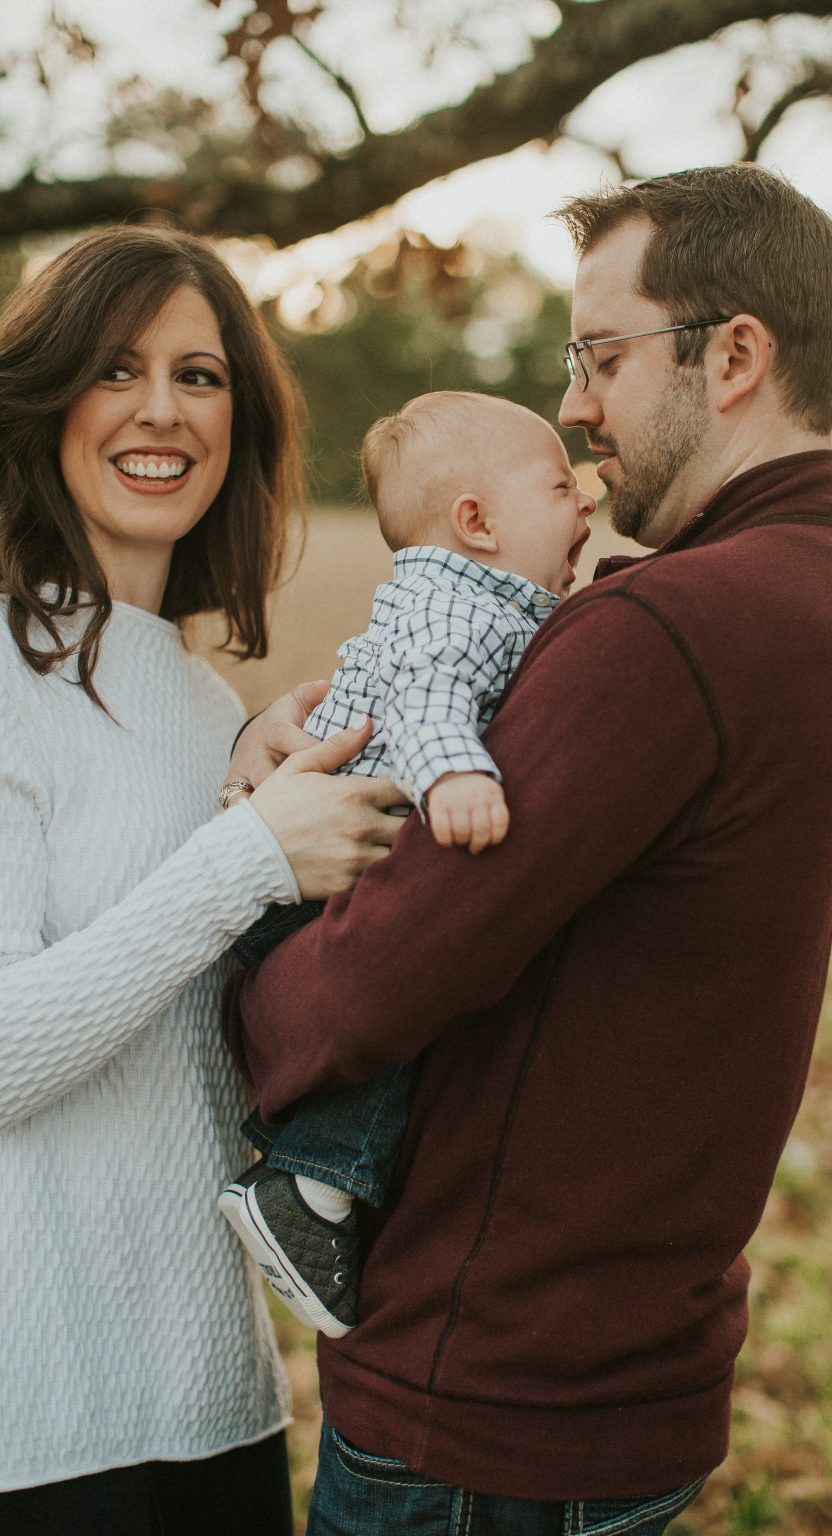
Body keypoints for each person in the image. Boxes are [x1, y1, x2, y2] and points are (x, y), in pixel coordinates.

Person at [225, 164, 832, 1535]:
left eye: (601, 355)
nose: (574, 404)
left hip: (492, 1416)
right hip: (617, 1380)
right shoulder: (811, 585)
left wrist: (234, 982)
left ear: (739, 355)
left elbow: (383, 972)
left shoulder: (668, 630)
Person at [0, 225, 405, 1536]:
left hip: (224, 1409)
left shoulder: (202, 702)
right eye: (116, 371)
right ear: (45, 396)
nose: (163, 409)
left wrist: (276, 835)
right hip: (41, 1438)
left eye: (202, 373)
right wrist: (246, 859)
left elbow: (204, 1062)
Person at [218, 390, 595, 1339]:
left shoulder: (488, 593)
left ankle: (314, 1183)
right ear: (478, 522)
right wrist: (457, 776)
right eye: (559, 486)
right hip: (321, 875)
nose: (585, 500)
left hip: (325, 868)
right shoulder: (451, 606)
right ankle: (308, 1192)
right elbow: (429, 696)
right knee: (404, 1011)